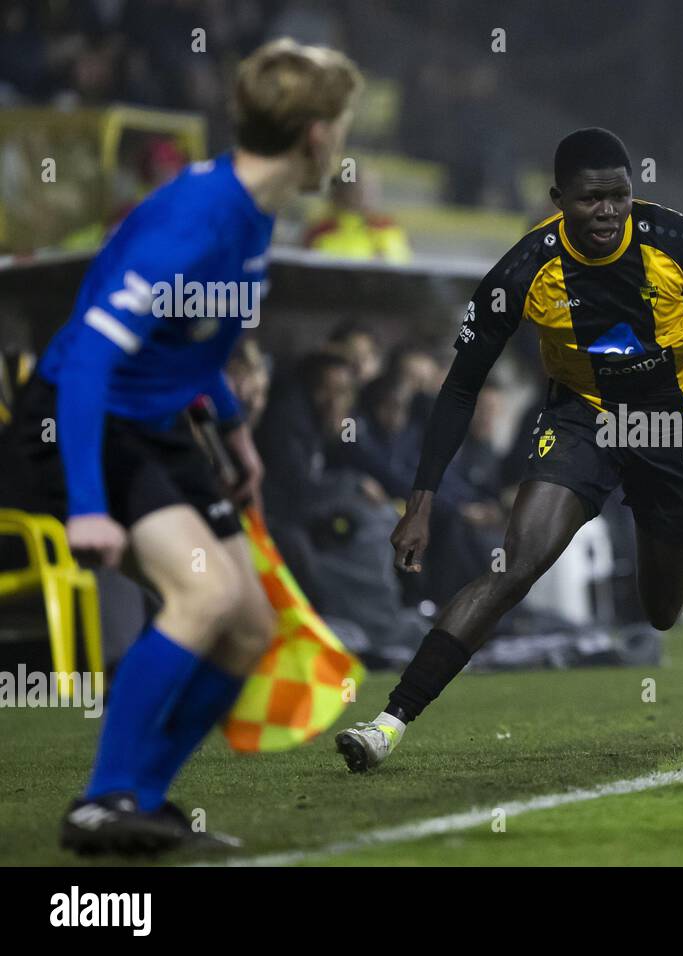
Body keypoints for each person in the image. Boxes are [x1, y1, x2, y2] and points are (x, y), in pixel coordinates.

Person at [336, 127, 683, 771]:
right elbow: (459, 388)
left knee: (661, 611)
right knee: (516, 565)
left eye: (618, 196)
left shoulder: (679, 244)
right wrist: (420, 501)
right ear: (558, 198)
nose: (607, 212)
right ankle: (390, 722)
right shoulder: (522, 270)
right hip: (585, 421)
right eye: (591, 199)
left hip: (679, 430)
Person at [6, 39, 361, 854]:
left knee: (248, 630)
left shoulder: (248, 207)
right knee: (201, 599)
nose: (341, 143)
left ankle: (140, 804)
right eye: (340, 125)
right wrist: (90, 506)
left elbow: (194, 343)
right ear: (315, 136)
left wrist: (234, 432)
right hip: (80, 417)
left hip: (159, 424)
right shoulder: (197, 222)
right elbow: (92, 356)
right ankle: (100, 803)